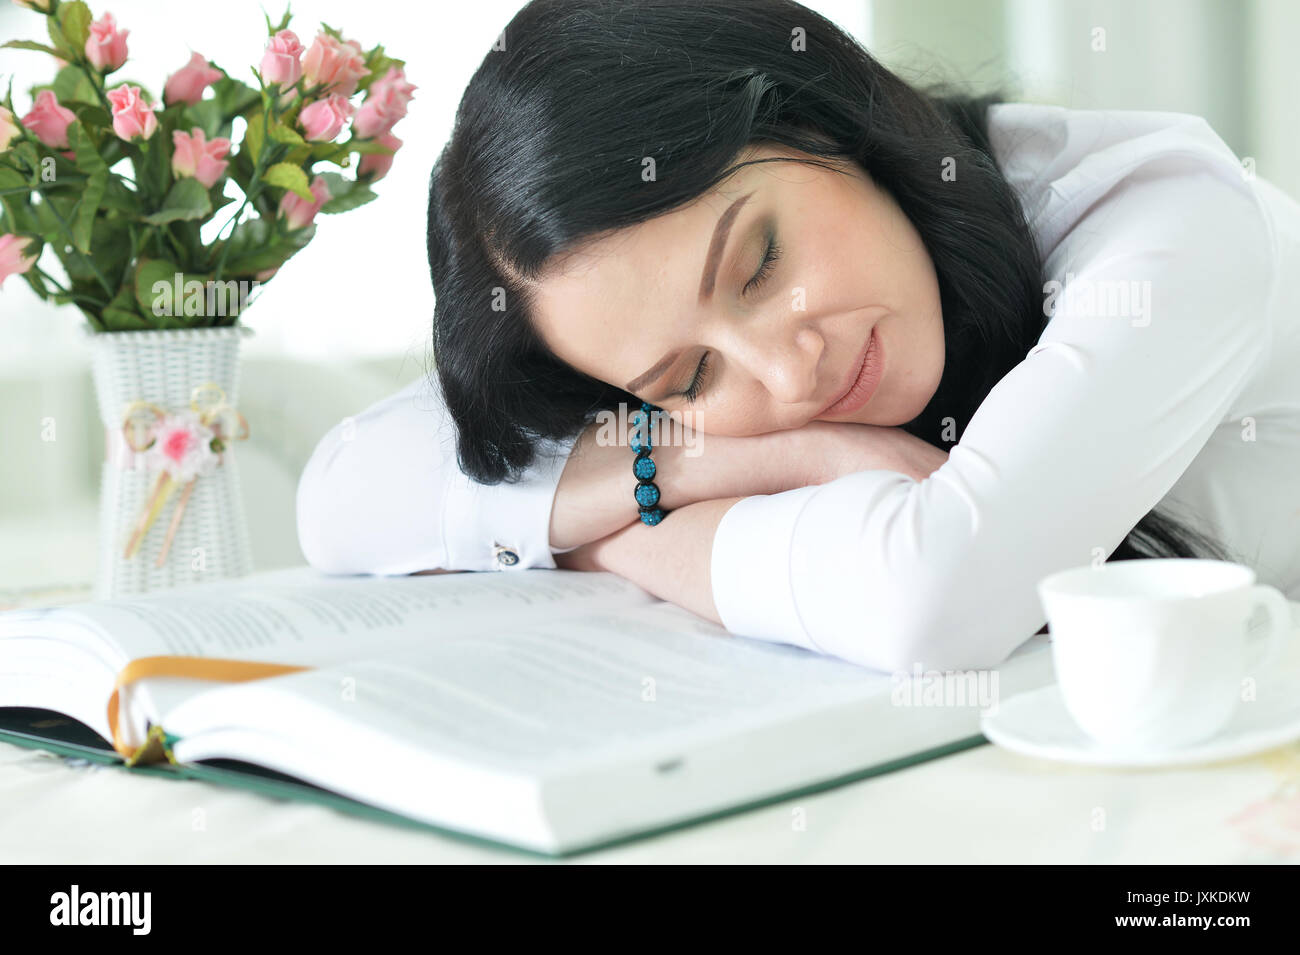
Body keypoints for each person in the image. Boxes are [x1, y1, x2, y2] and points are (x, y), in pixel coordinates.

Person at [296, 0, 1300, 673]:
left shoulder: (1165, 219)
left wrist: (627, 537)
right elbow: (344, 493)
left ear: (823, 118)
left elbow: (932, 598)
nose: (786, 367)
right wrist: (732, 459)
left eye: (761, 262)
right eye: (687, 376)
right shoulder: (708, 380)